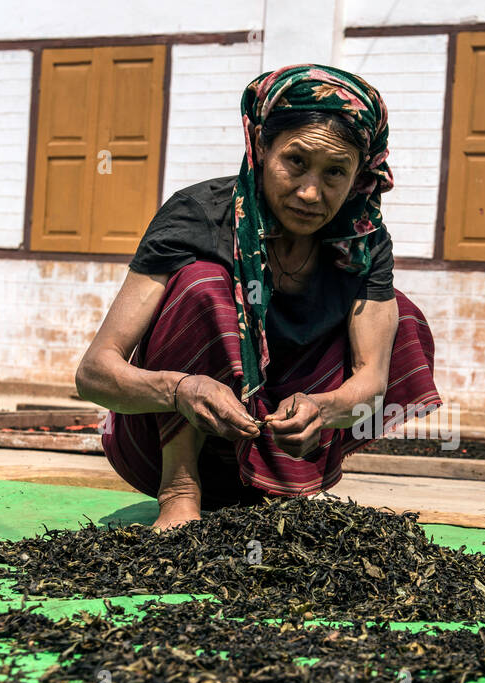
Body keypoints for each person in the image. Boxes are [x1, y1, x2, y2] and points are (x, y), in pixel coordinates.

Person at [75, 64, 442, 529]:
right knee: (203, 284)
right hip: (167, 438)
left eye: (335, 172)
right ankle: (180, 492)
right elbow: (94, 373)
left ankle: (282, 483)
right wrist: (182, 389)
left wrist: (321, 409)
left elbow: (372, 382)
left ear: (358, 175)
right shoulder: (198, 216)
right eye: (296, 162)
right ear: (261, 148)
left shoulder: (362, 242)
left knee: (402, 317)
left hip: (288, 446)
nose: (310, 193)